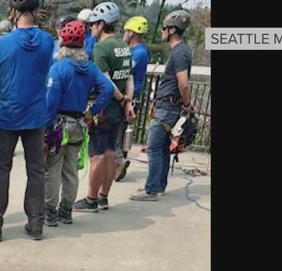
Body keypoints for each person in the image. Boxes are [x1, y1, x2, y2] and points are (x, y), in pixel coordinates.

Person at [0, 0, 55, 243]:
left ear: (14, 13)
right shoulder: (47, 41)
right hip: (36, 116)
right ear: (35, 12)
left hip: (8, 115)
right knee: (36, 171)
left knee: (1, 171)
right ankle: (35, 225)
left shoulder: (2, 44)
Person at [42, 19, 116, 227]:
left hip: (58, 125)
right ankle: (66, 211)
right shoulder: (89, 68)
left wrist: (46, 126)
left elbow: (51, 102)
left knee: (53, 169)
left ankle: (50, 212)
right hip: (78, 123)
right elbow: (108, 90)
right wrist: (91, 112)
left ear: (63, 43)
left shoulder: (58, 69)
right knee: (71, 170)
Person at [73, 1, 134, 214]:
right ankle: (103, 197)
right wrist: (128, 101)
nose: (91, 29)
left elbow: (106, 83)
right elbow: (129, 77)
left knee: (97, 155)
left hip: (104, 109)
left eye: (93, 25)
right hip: (118, 111)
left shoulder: (101, 48)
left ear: (101, 24)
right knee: (109, 152)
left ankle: (90, 199)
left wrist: (120, 99)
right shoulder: (123, 46)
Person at [131, 10, 192, 202]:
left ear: (172, 30)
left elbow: (183, 83)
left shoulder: (180, 53)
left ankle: (151, 190)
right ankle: (158, 185)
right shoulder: (179, 51)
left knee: (153, 147)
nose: (162, 32)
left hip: (168, 107)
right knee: (163, 147)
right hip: (167, 105)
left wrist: (187, 103)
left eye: (164, 28)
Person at [113, 15, 149, 182]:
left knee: (117, 132)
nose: (124, 34)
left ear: (132, 33)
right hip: (130, 95)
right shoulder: (136, 51)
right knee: (121, 133)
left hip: (130, 96)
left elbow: (127, 71)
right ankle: (118, 167)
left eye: (126, 31)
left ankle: (119, 161)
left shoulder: (139, 53)